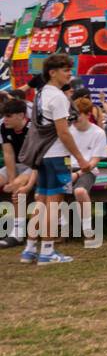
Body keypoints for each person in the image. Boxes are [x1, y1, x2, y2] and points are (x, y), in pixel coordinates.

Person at [18, 55, 89, 265]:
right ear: (52, 72)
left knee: (41, 201)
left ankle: (30, 249)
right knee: (54, 205)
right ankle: (47, 251)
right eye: (66, 70)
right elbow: (63, 133)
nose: (70, 74)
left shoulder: (40, 94)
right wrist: (80, 158)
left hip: (43, 156)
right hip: (56, 156)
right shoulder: (58, 97)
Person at [67, 97, 107, 247]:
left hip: (87, 170)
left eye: (77, 114)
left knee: (80, 192)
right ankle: (58, 228)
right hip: (68, 168)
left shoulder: (98, 133)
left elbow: (94, 162)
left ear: (87, 114)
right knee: (51, 192)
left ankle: (87, 230)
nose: (74, 119)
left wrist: (77, 174)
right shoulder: (68, 131)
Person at [0, 99, 34, 249]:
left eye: (8, 115)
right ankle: (4, 225)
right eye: (3, 115)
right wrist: (11, 180)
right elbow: (8, 154)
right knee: (13, 182)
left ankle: (17, 233)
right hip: (17, 165)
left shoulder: (34, 128)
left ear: (21, 115)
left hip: (35, 165)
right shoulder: (3, 126)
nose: (4, 119)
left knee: (19, 186)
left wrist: (16, 183)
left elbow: (38, 159)